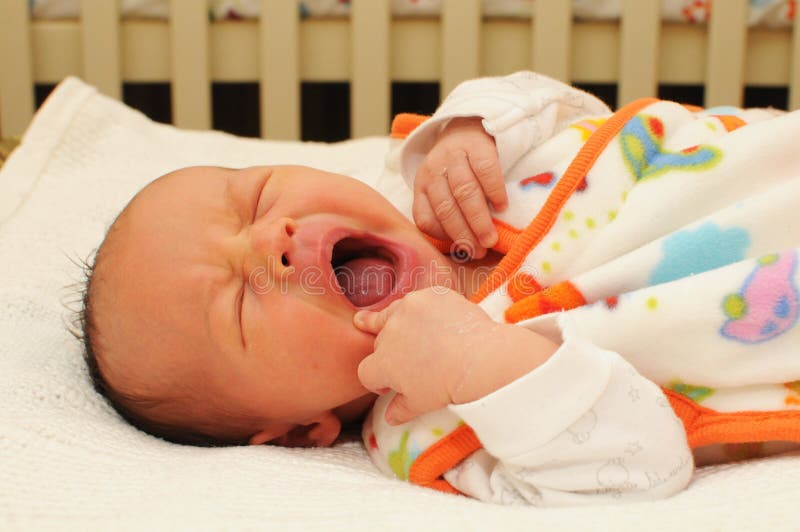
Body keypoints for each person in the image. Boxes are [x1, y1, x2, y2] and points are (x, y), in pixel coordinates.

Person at [79, 71, 800, 506]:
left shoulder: (438, 177)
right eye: (240, 300)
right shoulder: (426, 430)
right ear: (301, 431)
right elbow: (634, 470)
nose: (272, 240)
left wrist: (471, 127)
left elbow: (556, 105)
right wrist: (477, 366)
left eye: (256, 198)